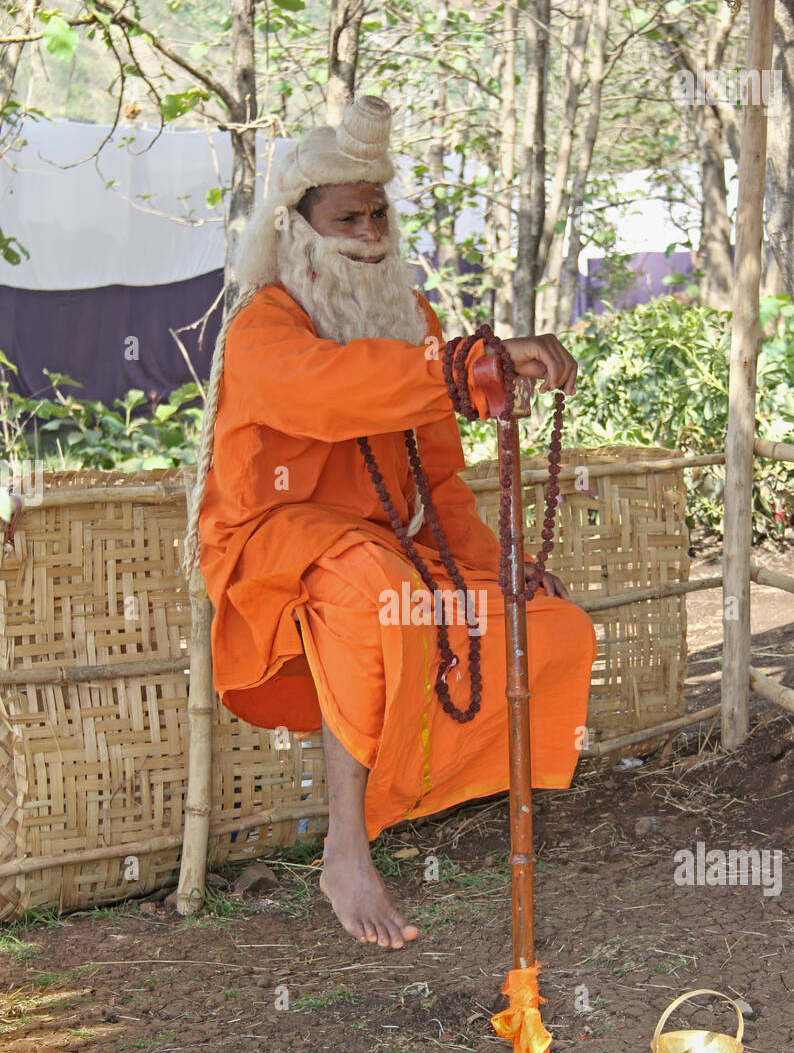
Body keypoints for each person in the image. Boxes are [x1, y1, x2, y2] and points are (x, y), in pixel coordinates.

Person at [183, 95, 597, 951]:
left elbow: (439, 477)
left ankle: (425, 789)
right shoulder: (264, 326)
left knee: (550, 625)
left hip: (394, 543)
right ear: (296, 227)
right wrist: (464, 367)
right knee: (374, 594)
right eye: (347, 217)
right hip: (276, 539)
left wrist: (495, 563)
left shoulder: (417, 327)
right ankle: (347, 845)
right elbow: (330, 392)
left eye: (379, 214)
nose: (368, 232)